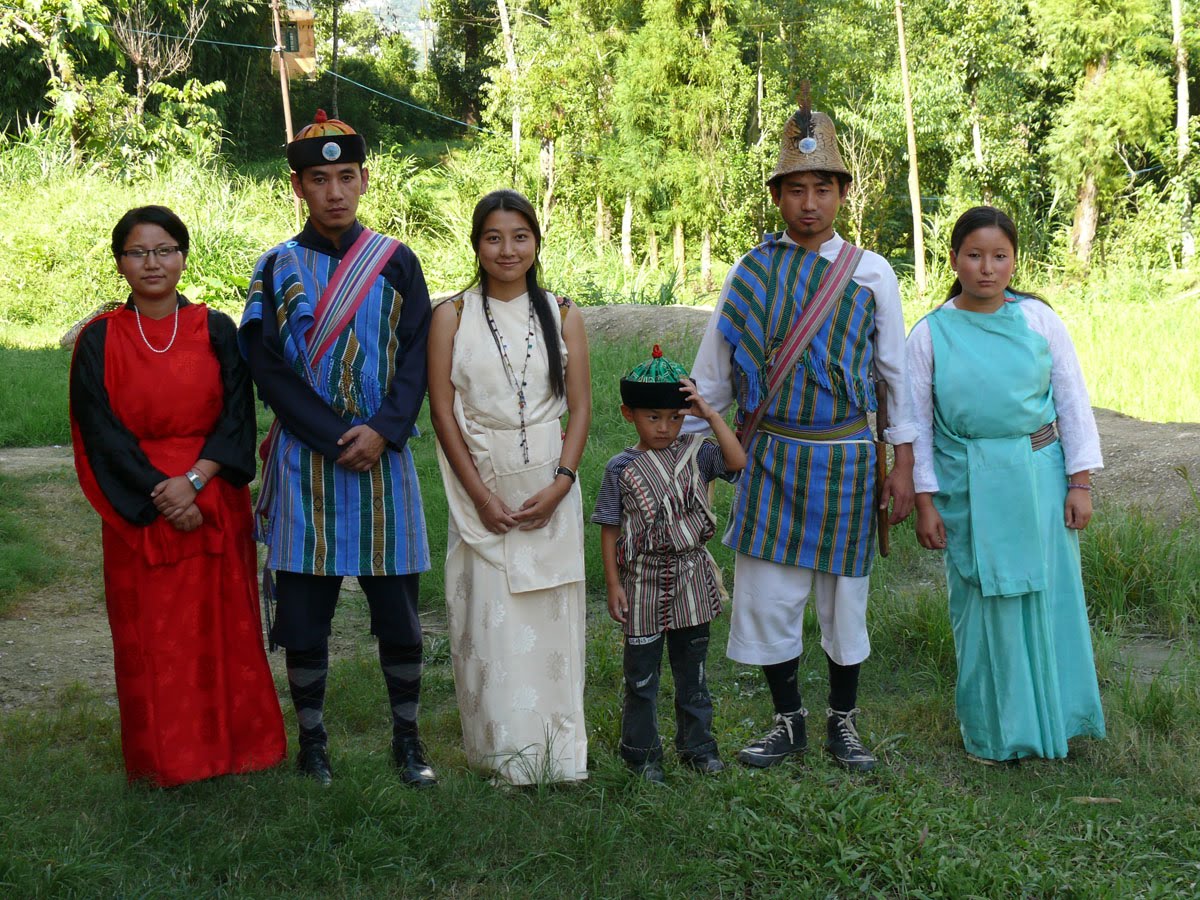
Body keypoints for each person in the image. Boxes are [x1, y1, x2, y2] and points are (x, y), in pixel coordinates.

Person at [684, 97, 917, 773]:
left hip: (846, 459)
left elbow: (895, 376)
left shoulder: (873, 274)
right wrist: (686, 446)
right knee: (767, 596)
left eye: (822, 188)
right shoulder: (750, 272)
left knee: (845, 600)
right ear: (778, 197)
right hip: (771, 459)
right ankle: (788, 722)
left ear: (842, 193)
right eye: (796, 189)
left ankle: (844, 723)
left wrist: (902, 467)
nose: (809, 202)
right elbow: (715, 373)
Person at [238, 111, 435, 787]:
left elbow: (417, 357)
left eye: (346, 176)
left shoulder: (398, 261)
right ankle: (313, 743)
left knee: (400, 616)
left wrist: (383, 429)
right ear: (297, 187)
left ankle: (407, 739)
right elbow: (266, 367)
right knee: (304, 618)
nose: (334, 193)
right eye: (318, 179)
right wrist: (332, 436)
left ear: (365, 179)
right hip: (305, 468)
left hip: (386, 461)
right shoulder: (275, 268)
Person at [69, 205, 286, 788]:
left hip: (211, 493)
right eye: (138, 252)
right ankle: (166, 760)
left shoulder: (215, 329)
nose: (152, 263)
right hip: (139, 505)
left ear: (184, 255)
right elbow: (100, 430)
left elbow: (239, 414)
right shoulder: (98, 338)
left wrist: (193, 481)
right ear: (120, 264)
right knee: (153, 638)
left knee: (223, 629)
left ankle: (241, 749)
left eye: (164, 249)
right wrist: (160, 494)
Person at [906, 206, 1106, 763]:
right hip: (967, 486)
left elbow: (1071, 401)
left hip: (1040, 480)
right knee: (981, 605)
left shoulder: (1040, 321)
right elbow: (915, 426)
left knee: (1049, 598)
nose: (987, 269)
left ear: (1015, 260)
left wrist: (1080, 482)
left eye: (1000, 256)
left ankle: (1059, 725)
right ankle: (994, 734)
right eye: (974, 255)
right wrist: (925, 501)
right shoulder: (929, 334)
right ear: (954, 260)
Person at [428, 189, 591, 786]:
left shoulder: (564, 311)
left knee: (551, 621)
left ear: (536, 243)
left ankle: (560, 755)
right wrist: (480, 496)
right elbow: (443, 413)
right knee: (490, 621)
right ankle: (502, 756)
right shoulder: (451, 315)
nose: (507, 249)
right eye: (494, 237)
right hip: (485, 482)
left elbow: (580, 409)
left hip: (550, 487)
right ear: (476, 244)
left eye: (520, 236)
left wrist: (561, 482)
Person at [591, 347, 746, 783]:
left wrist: (710, 415)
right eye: (653, 417)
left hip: (692, 580)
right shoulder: (621, 468)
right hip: (640, 582)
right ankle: (641, 755)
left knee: (692, 672)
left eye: (676, 417)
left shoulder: (697, 454)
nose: (665, 427)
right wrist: (612, 582)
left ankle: (698, 747)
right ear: (628, 414)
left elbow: (737, 461)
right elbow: (608, 526)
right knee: (641, 677)